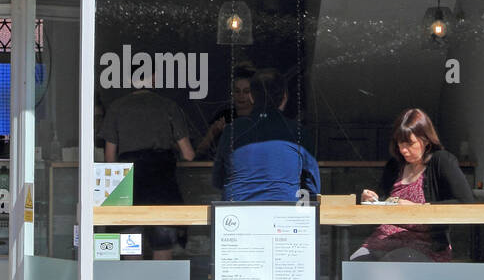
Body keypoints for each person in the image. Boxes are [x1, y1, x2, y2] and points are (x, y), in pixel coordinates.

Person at [352, 107, 473, 262]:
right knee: (355, 262)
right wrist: (371, 199)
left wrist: (418, 209)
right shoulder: (394, 166)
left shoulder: (442, 161)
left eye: (409, 144)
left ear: (426, 140)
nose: (403, 150)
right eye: (399, 144)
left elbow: (466, 203)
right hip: (384, 239)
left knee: (391, 263)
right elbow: (384, 200)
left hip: (425, 244)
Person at [99, 79, 195, 260]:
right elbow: (188, 154)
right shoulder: (167, 106)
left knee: (131, 248)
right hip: (162, 186)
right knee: (162, 245)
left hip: (129, 189)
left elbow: (109, 158)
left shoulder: (117, 107)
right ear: (154, 80)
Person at [213, 68, 320, 202]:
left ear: (251, 96)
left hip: (238, 214)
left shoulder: (232, 130)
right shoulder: (298, 132)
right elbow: (312, 187)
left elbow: (217, 180)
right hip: (284, 215)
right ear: (284, 97)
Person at [195, 65, 255, 158]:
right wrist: (213, 133)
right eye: (237, 91)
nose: (241, 95)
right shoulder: (224, 115)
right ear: (232, 93)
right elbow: (199, 152)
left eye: (246, 91)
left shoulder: (259, 116)